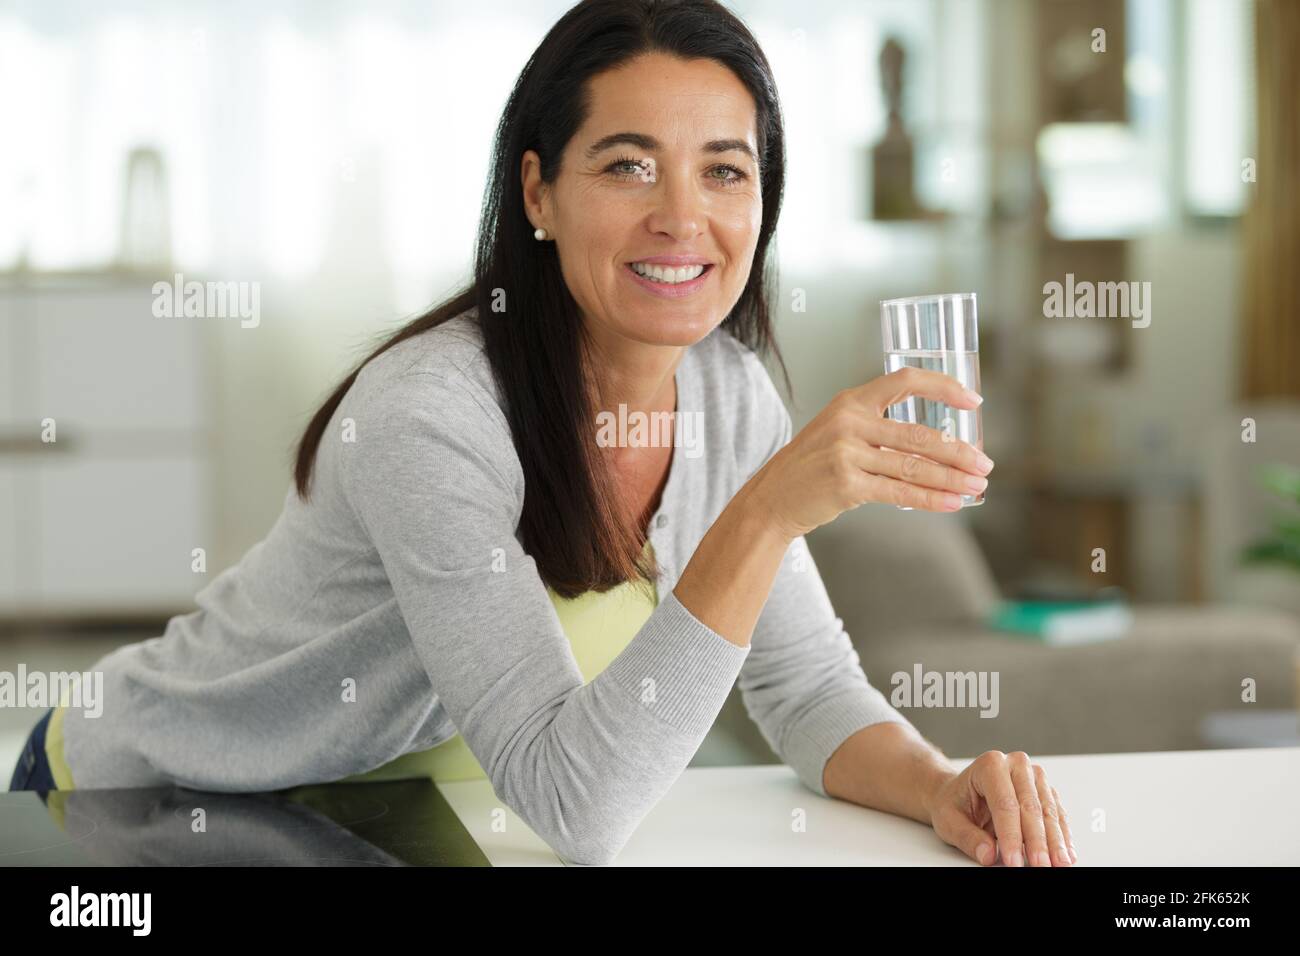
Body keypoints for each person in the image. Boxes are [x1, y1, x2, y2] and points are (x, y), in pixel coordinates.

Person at [10, 0, 1075, 868]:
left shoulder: (728, 391)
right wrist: (763, 513)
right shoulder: (429, 415)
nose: (680, 215)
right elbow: (579, 805)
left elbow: (801, 688)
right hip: (156, 798)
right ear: (539, 191)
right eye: (625, 164)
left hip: (396, 817)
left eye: (724, 169)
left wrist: (940, 784)